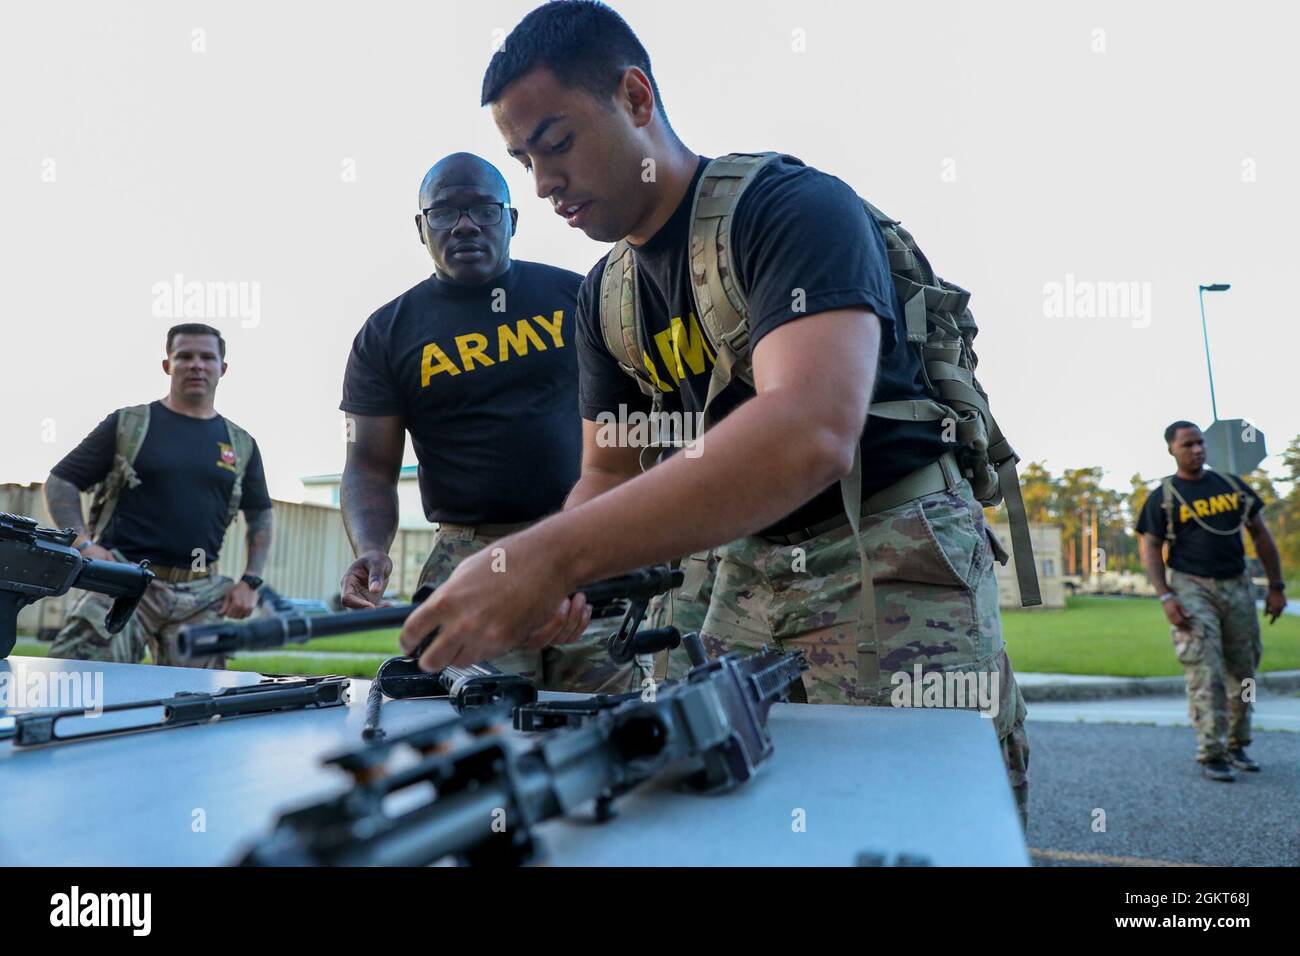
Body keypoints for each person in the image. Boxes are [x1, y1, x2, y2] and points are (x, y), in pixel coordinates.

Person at [397, 1, 1031, 823]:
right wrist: (559, 578)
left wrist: (549, 558)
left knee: (925, 817)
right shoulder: (607, 297)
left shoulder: (791, 209)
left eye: (556, 143)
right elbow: (606, 468)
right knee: (722, 809)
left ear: (634, 97)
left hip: (887, 552)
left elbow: (808, 431)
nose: (544, 181)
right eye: (523, 159)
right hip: (743, 571)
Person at [339, 152, 639, 693]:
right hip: (470, 559)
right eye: (445, 211)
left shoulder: (581, 297)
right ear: (421, 227)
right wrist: (370, 546)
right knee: (480, 732)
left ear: (513, 220)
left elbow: (641, 418)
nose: (465, 225)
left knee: (612, 726)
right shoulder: (386, 334)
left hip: (587, 546)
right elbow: (368, 464)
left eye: (484, 209)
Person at [46, 324, 273, 668]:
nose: (196, 364)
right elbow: (61, 481)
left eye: (207, 357)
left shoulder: (240, 443)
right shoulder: (129, 424)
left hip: (199, 592)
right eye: (184, 356)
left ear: (222, 369)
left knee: (199, 707)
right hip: (123, 581)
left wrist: (250, 581)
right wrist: (83, 545)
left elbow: (260, 514)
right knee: (79, 684)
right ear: (167, 365)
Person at [1136, 420, 1284, 780]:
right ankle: (1211, 750)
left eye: (1200, 442)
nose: (1197, 449)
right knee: (1206, 670)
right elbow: (1150, 548)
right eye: (1188, 444)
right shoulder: (1164, 496)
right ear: (1171, 449)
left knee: (1243, 669)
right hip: (1191, 587)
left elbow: (1261, 535)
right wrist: (1165, 596)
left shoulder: (1231, 487)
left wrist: (1276, 586)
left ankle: (1237, 743)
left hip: (1237, 585)